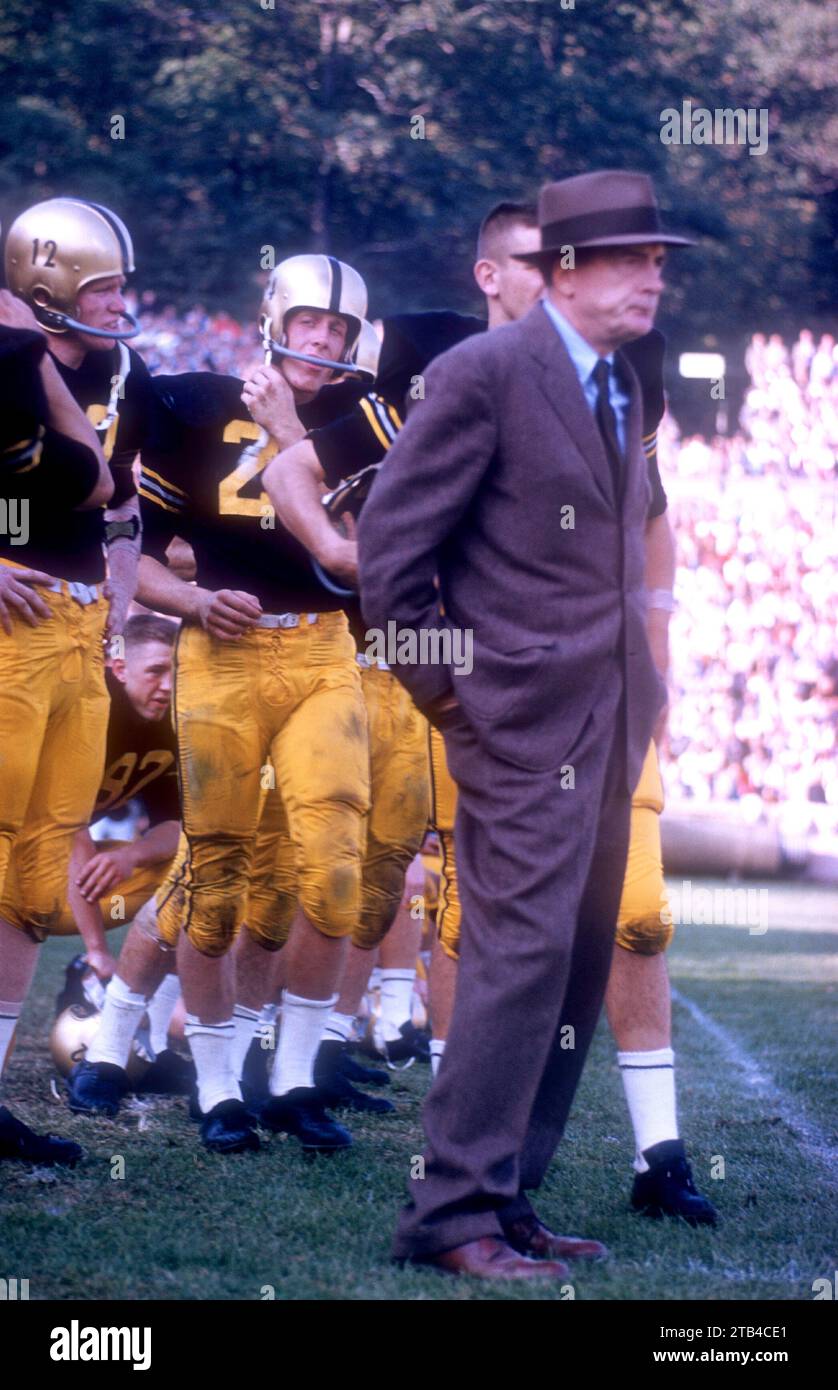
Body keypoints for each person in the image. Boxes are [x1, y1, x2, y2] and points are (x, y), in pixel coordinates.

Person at [358, 170, 692, 1280]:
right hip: (512, 724)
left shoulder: (622, 385)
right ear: (563, 270)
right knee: (514, 960)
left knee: (573, 958)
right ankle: (449, 1213)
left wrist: (642, 682)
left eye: (658, 259)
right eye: (631, 258)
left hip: (607, 720)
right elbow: (393, 564)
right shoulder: (481, 373)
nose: (654, 276)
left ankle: (508, 1196)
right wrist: (454, 699)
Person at [75, 255, 374, 1156]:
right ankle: (183, 1068)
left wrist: (293, 436)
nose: (323, 339)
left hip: (324, 650)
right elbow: (135, 548)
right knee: (215, 880)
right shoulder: (196, 404)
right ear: (274, 316)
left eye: (341, 329)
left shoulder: (362, 419)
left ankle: (289, 1079)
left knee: (330, 870)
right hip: (223, 655)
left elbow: (363, 550)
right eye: (311, 321)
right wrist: (197, 604)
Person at [0, 284, 112, 1166]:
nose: (120, 303)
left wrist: (34, 355)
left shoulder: (80, 369)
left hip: (71, 628)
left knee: (34, 875)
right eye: (102, 287)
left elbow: (99, 483)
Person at [5, 198, 154, 644]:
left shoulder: (126, 369)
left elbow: (121, 498)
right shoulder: (6, 364)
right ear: (46, 294)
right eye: (102, 290)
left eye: (121, 288)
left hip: (82, 616)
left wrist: (125, 579)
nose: (119, 305)